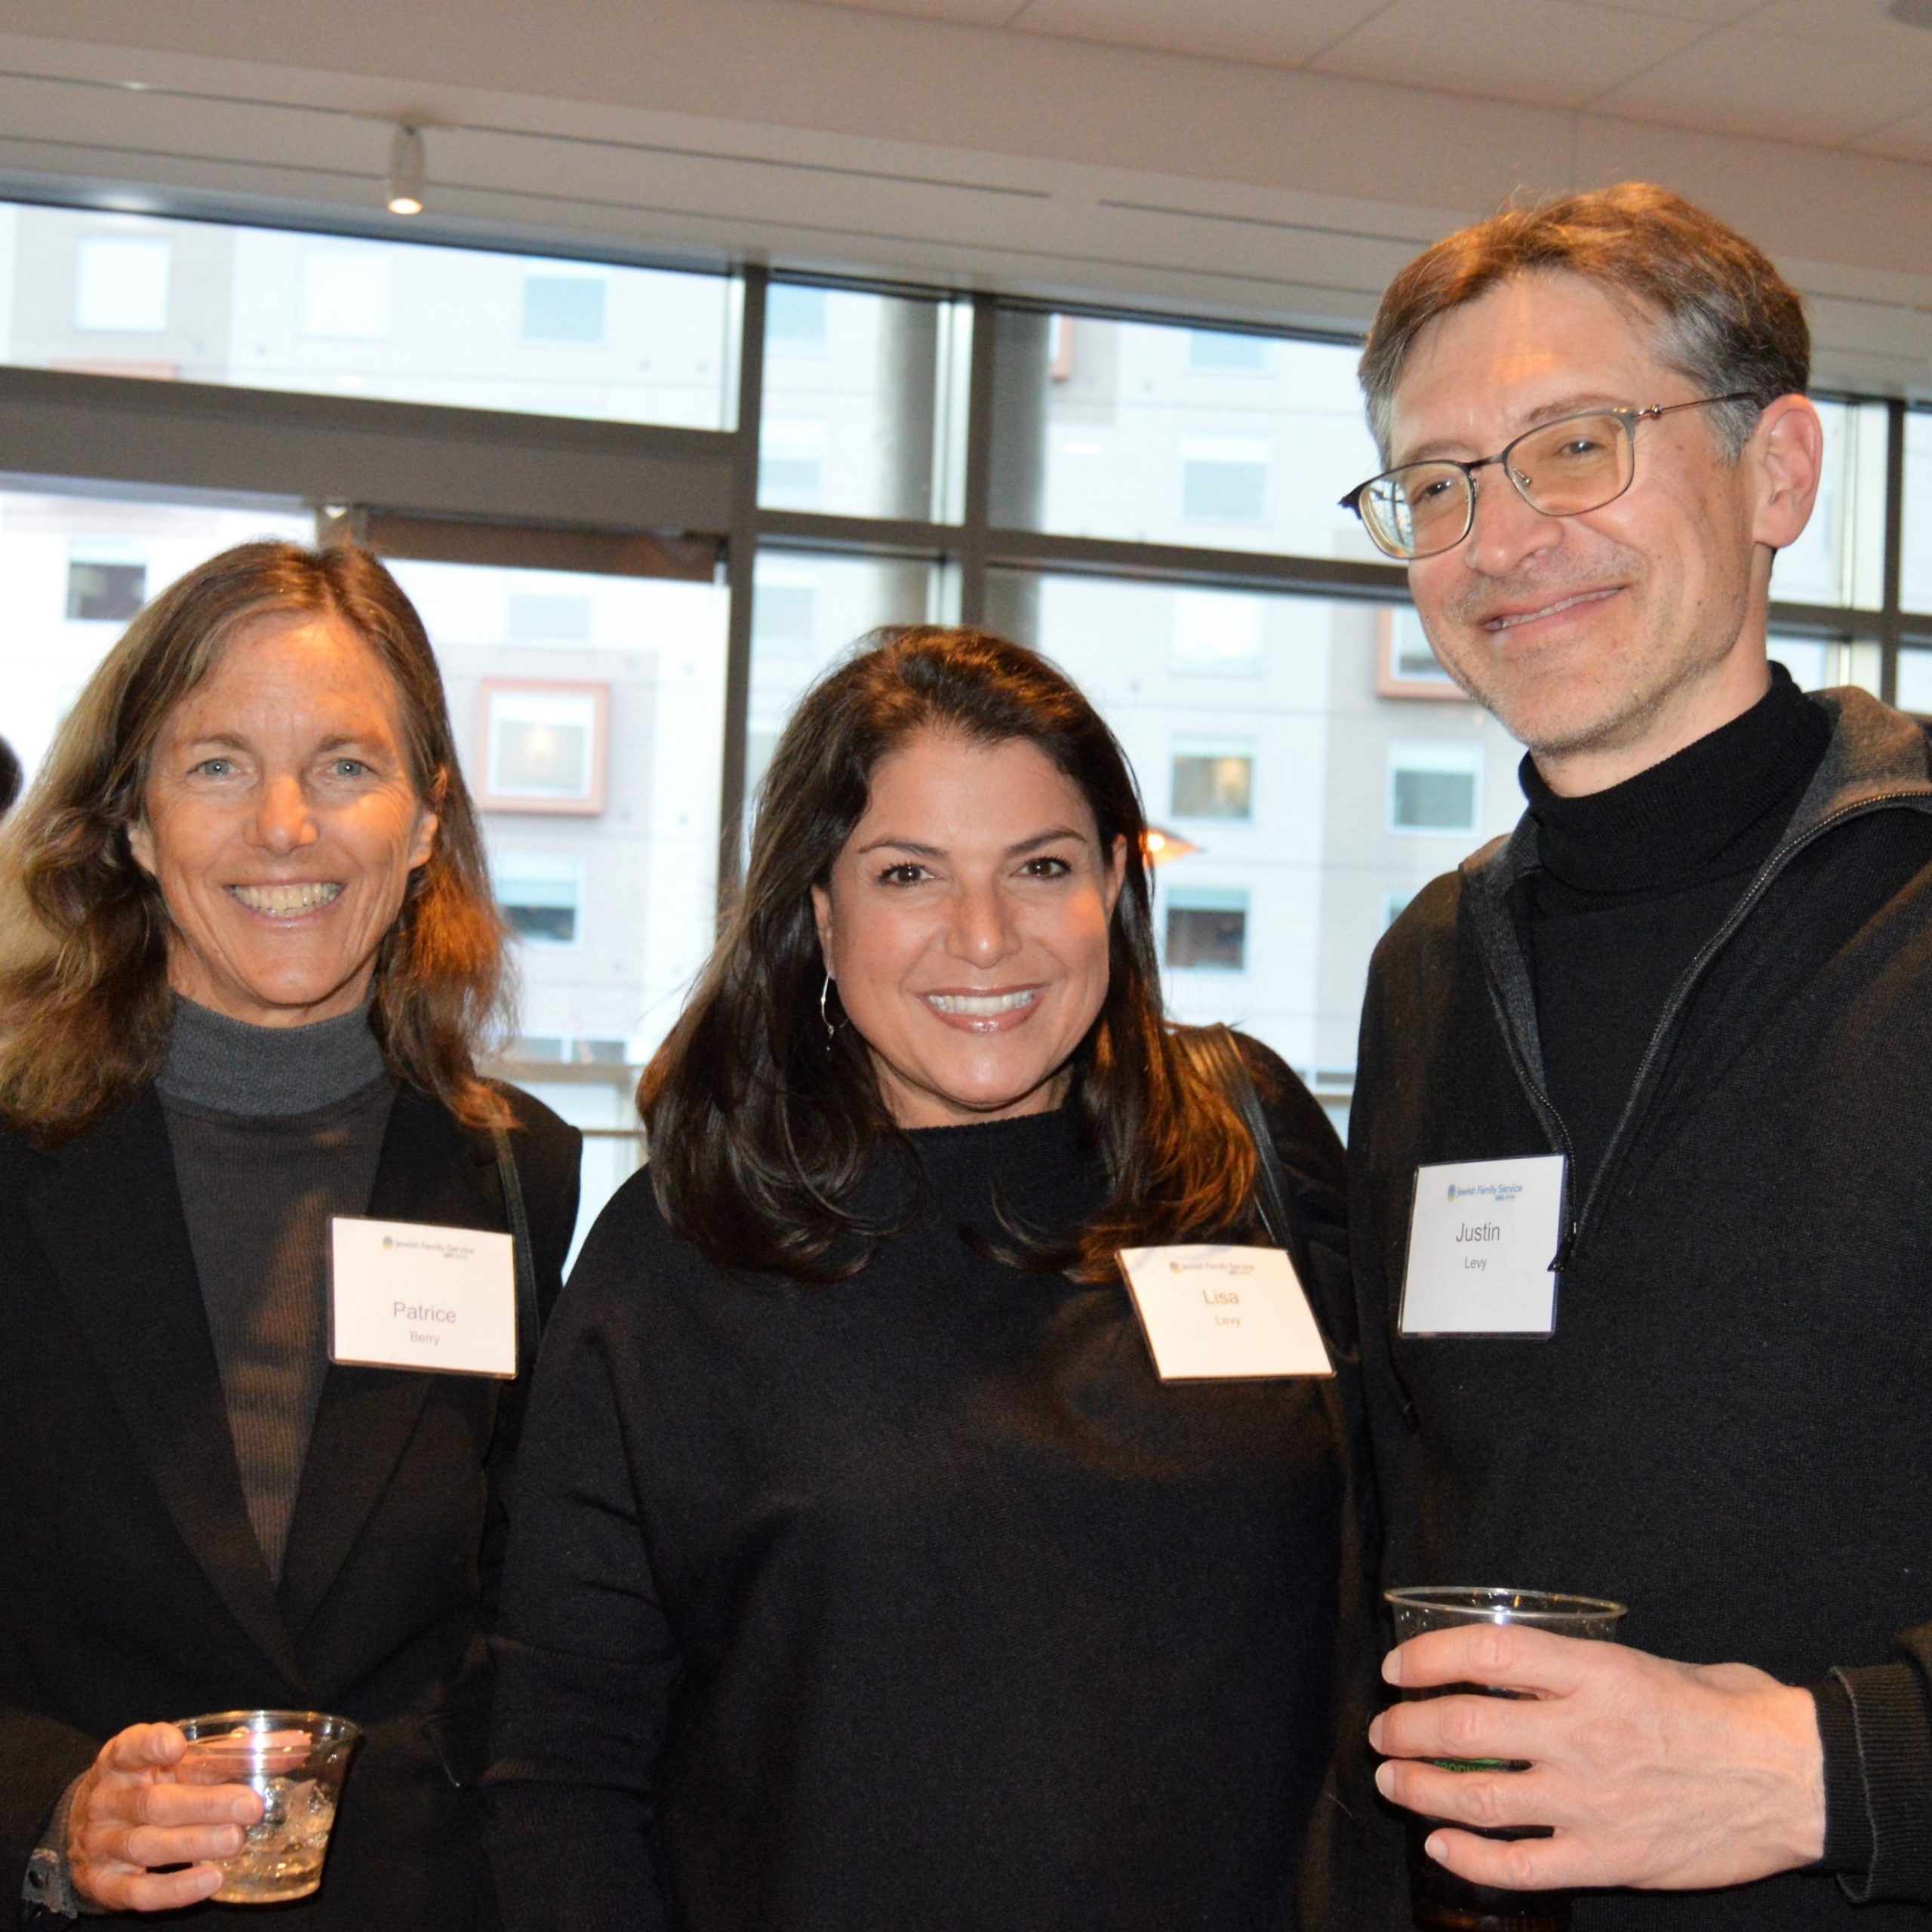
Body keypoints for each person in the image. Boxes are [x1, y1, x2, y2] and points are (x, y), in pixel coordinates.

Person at [487, 626, 1369, 1930]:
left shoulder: (1248, 1150)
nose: (985, 937)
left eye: (1041, 867)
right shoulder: (687, 1245)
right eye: (909, 874)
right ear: (819, 912)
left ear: (1115, 883)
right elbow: (563, 1764)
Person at [1337, 181, 1932, 1927]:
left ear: (1776, 474)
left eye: (1574, 447)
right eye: (1434, 483)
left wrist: (1822, 1766)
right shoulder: (1429, 968)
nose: (1499, 540)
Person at [0, 540, 580, 1927]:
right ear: (133, 823)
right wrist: (50, 1814)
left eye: (344, 766)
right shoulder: (14, 1159)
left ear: (426, 819)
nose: (284, 827)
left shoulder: (516, 1175)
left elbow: (535, 1613)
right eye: (218, 765)